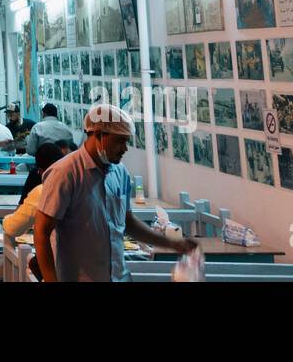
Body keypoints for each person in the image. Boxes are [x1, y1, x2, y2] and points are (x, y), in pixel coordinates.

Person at [34, 104, 195, 282]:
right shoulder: (65, 173)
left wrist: (171, 243)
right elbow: (41, 232)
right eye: (120, 141)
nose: (125, 148)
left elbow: (128, 223)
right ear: (98, 134)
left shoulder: (120, 172)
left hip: (118, 277)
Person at [4, 143, 67, 238]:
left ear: (41, 171)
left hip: (56, 246)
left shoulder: (43, 190)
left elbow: (12, 228)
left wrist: (6, 219)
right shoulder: (79, 182)